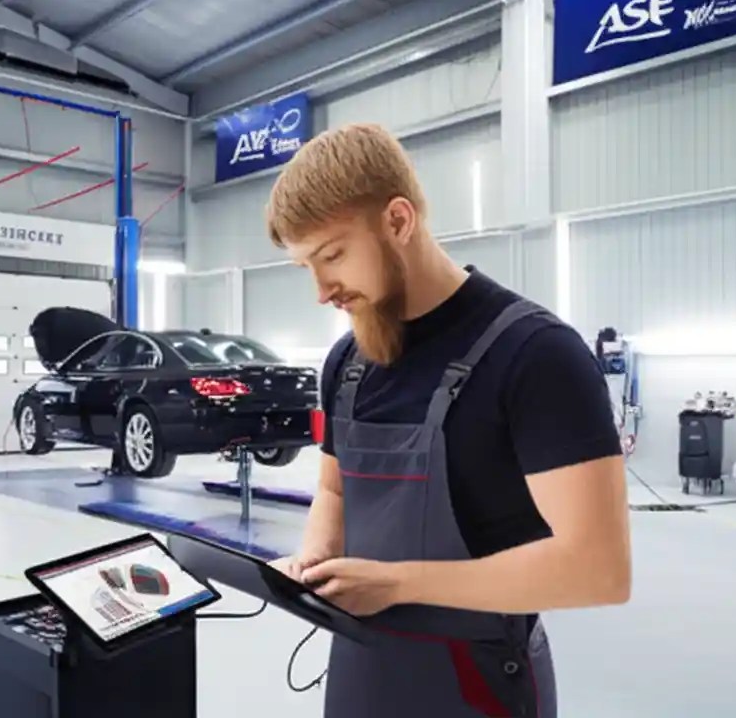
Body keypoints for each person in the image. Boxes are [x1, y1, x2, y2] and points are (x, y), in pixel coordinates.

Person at [265, 124, 631, 718]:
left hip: (478, 686)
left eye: (332, 255)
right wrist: (314, 558)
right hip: (361, 677)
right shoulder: (347, 363)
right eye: (306, 265)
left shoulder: (537, 356)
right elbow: (335, 486)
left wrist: (399, 583)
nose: (321, 290)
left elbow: (599, 570)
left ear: (399, 221)